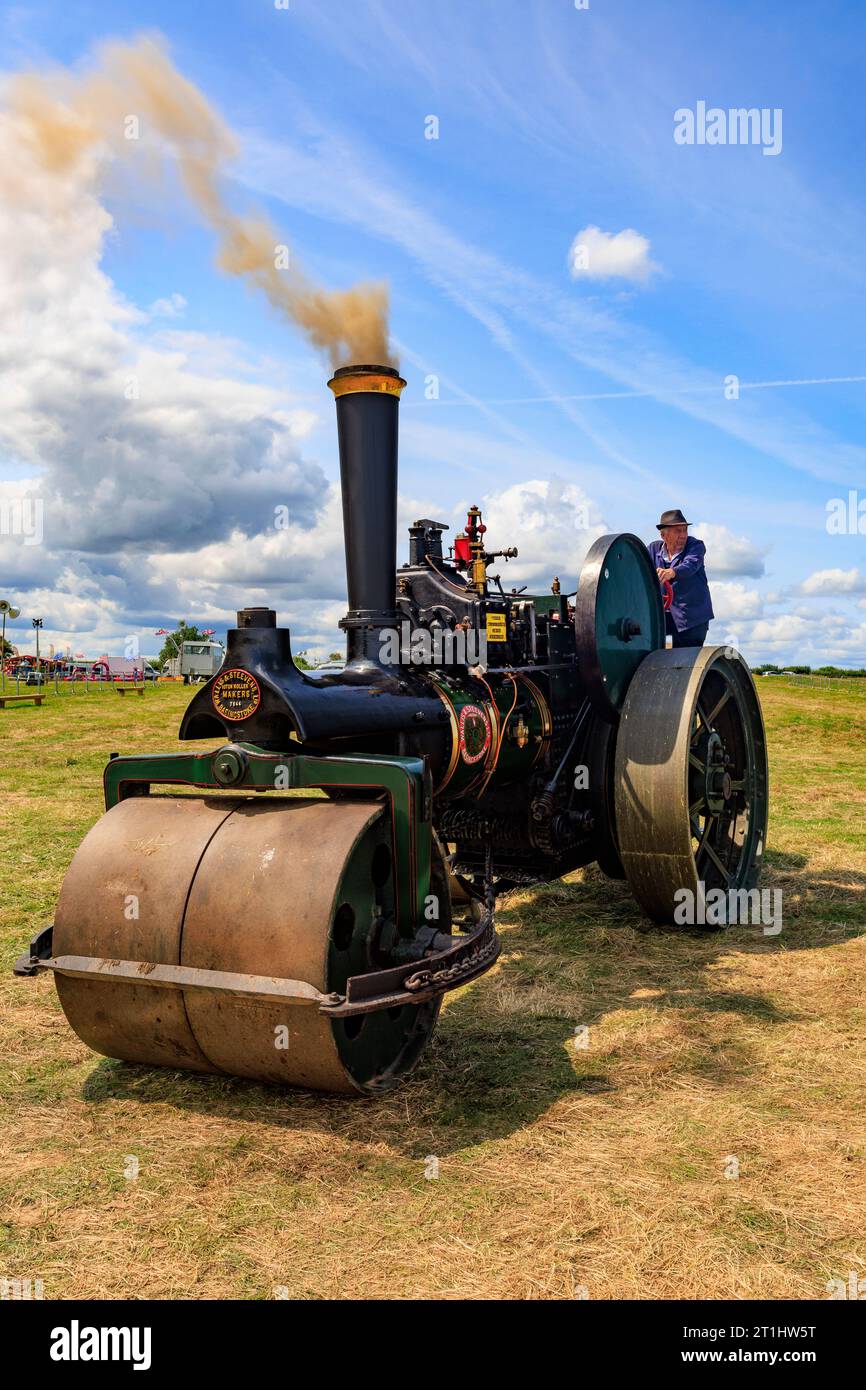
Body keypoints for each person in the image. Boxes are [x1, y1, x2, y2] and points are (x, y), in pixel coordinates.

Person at [647, 508, 714, 648]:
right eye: (678, 531)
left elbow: (690, 565)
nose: (683, 535)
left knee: (686, 661)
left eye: (685, 530)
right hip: (662, 617)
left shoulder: (695, 546)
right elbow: (640, 571)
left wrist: (672, 572)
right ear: (663, 535)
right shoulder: (653, 549)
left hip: (692, 618)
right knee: (652, 654)